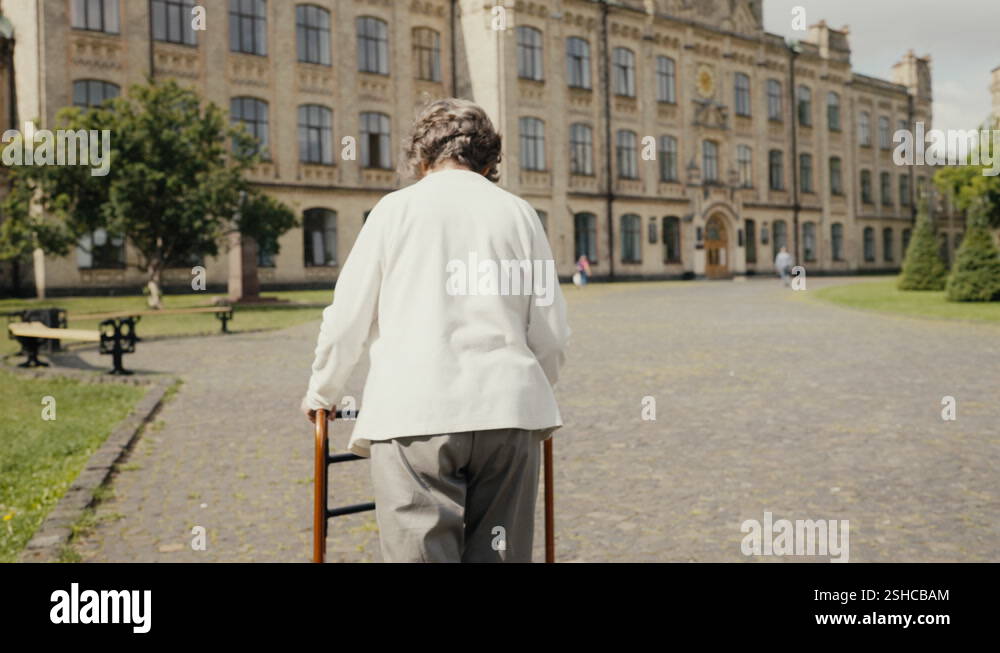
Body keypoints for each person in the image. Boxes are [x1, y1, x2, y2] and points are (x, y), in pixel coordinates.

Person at [301, 98, 571, 563]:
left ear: (421, 157)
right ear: (489, 161)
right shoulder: (521, 214)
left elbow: (348, 316)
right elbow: (550, 333)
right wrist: (530, 391)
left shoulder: (394, 211)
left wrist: (322, 392)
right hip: (508, 409)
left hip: (414, 412)